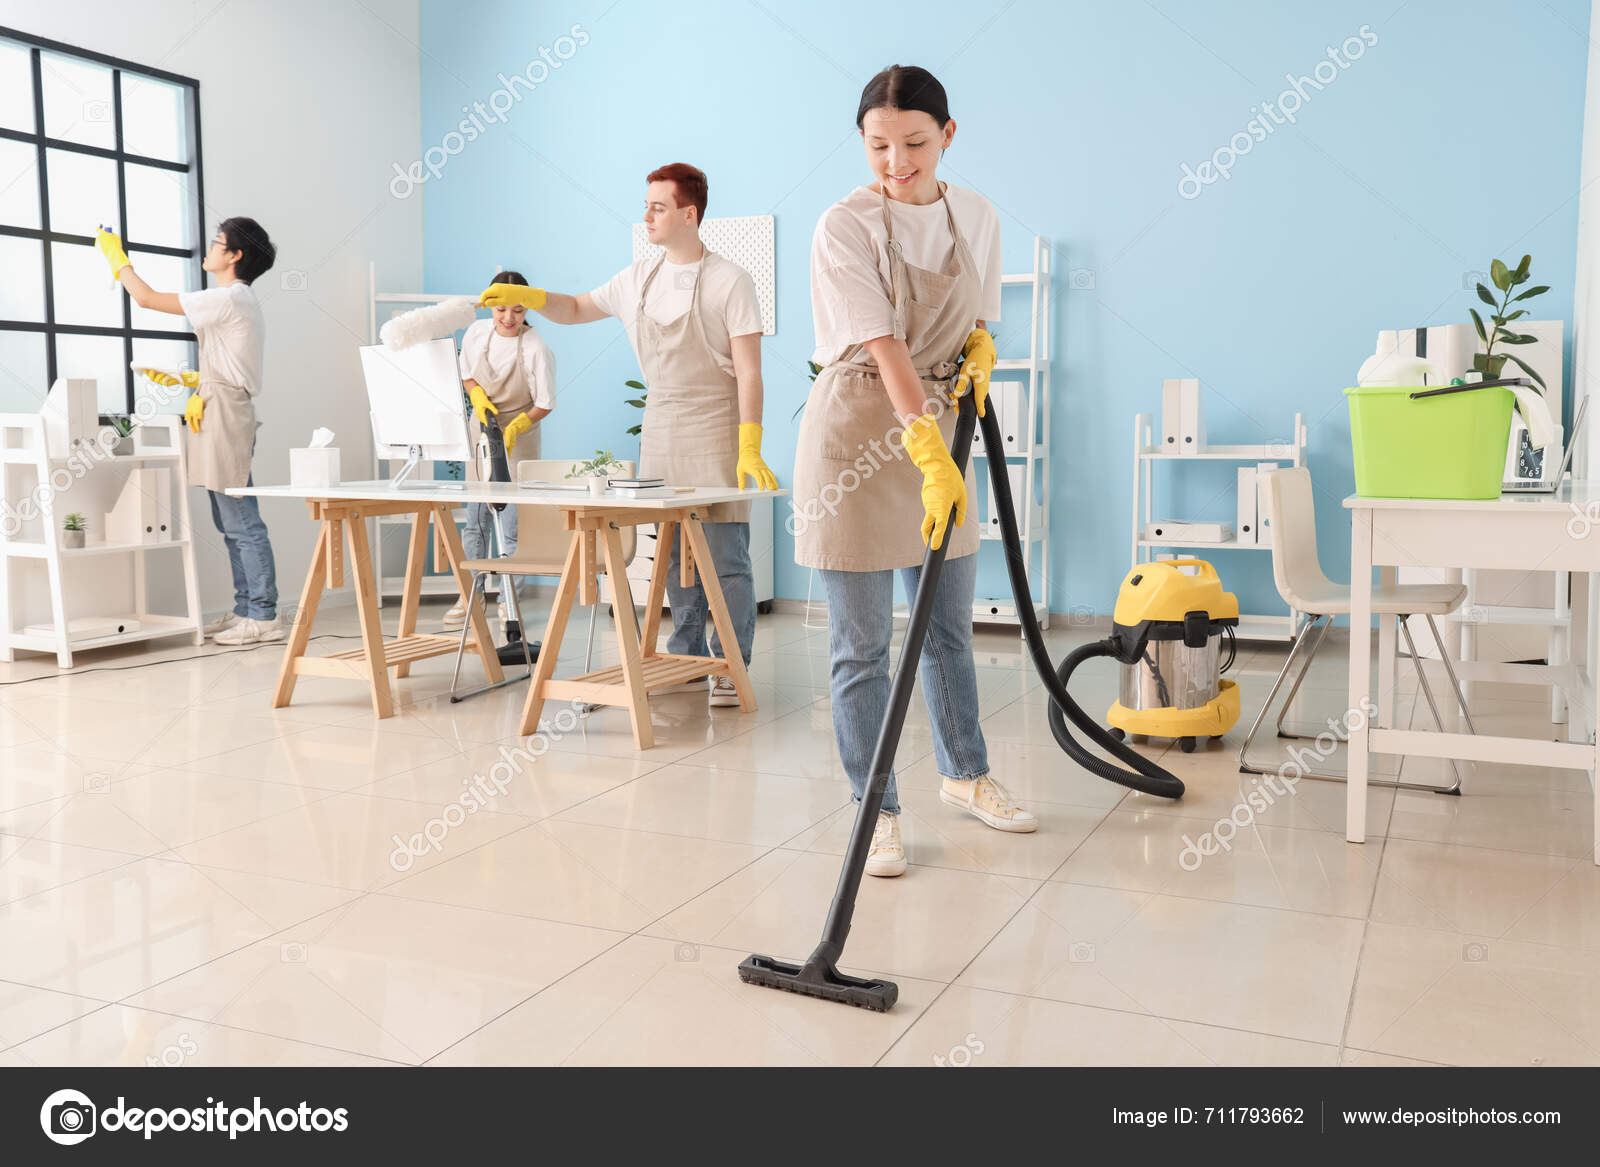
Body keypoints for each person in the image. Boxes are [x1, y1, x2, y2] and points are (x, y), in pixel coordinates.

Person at [794, 65, 1035, 879]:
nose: (896, 162)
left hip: (942, 420)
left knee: (948, 632)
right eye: (878, 146)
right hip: (860, 423)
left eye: (915, 143)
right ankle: (876, 809)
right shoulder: (843, 225)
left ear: (948, 135)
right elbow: (884, 343)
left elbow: (971, 320)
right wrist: (927, 451)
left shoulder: (978, 215)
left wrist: (978, 347)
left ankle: (966, 773)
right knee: (861, 647)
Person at [479, 163, 777, 708]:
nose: (647, 216)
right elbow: (573, 309)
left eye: (658, 207)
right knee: (675, 551)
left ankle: (730, 665)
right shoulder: (636, 278)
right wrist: (532, 296)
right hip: (662, 427)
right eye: (646, 206)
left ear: (690, 214)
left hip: (716, 427)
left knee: (725, 554)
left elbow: (750, 371)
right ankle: (685, 654)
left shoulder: (731, 281)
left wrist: (750, 443)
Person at [96, 217, 282, 646]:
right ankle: (245, 609)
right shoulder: (233, 300)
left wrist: (115, 256)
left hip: (226, 410)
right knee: (227, 515)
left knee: (240, 518)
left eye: (218, 242)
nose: (210, 247)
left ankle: (265, 616)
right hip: (217, 404)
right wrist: (191, 382)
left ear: (235, 255)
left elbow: (144, 299)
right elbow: (231, 361)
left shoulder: (231, 297)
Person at [444, 269, 557, 632]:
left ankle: (509, 601)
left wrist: (520, 425)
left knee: (512, 528)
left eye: (518, 311)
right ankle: (471, 595)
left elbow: (546, 401)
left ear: (528, 310)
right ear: (490, 307)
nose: (509, 319)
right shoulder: (477, 333)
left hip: (519, 435)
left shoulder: (537, 347)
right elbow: (465, 372)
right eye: (501, 311)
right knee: (475, 522)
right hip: (483, 426)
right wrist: (474, 393)